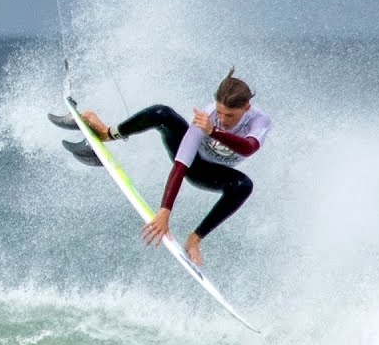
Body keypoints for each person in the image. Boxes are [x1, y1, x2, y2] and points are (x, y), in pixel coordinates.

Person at [81, 68, 271, 265]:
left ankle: (194, 239)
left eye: (230, 115)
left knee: (244, 185)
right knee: (162, 113)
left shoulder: (260, 121)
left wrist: (213, 132)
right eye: (220, 112)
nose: (222, 120)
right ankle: (107, 133)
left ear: (246, 107)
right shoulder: (206, 116)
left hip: (209, 173)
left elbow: (248, 148)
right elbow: (182, 162)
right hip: (191, 163)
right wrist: (165, 210)